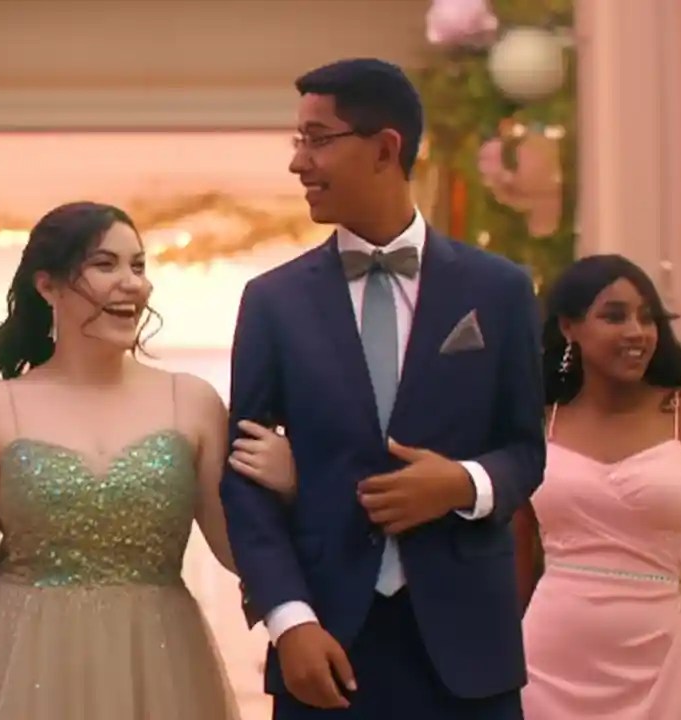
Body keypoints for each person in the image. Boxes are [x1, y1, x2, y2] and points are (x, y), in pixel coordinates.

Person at [219, 58, 544, 719]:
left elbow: (525, 451)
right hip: (325, 646)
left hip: (467, 652)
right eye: (298, 141)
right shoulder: (273, 302)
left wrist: (463, 484)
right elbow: (243, 478)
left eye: (317, 139)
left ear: (385, 149)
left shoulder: (500, 290)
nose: (298, 162)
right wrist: (289, 619)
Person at [0, 201, 292, 720]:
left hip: (156, 663)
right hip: (25, 664)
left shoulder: (192, 402)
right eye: (105, 264)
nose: (132, 284)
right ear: (48, 286)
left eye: (138, 266)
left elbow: (239, 550)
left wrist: (293, 487)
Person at [514, 255, 681, 719]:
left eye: (647, 317)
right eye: (615, 316)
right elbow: (516, 557)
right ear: (569, 327)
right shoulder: (539, 421)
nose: (637, 332)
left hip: (659, 665)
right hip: (548, 665)